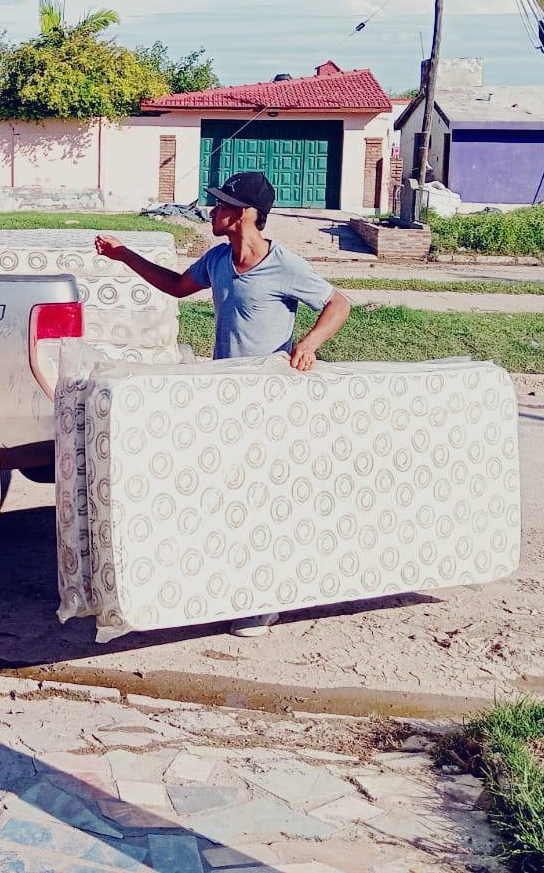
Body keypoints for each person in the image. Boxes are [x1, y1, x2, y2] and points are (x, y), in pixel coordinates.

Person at [94, 170, 352, 637]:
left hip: (270, 399)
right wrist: (123, 254)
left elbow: (338, 304)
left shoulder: (285, 265)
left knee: (265, 500)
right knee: (229, 494)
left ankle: (265, 601)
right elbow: (176, 286)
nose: (213, 211)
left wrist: (310, 344)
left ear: (246, 214)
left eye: (221, 205)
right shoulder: (217, 261)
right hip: (224, 396)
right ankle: (234, 586)